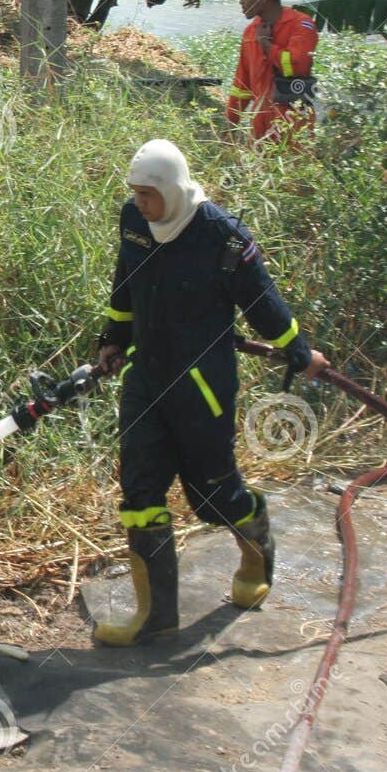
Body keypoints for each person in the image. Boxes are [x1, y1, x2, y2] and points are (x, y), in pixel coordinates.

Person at [89, 138, 329, 646]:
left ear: (173, 191)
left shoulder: (223, 238)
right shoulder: (134, 223)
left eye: (148, 194)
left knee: (212, 497)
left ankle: (256, 537)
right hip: (146, 379)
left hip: (202, 388)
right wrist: (114, 337)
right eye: (134, 193)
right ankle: (155, 619)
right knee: (140, 490)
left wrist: (300, 352)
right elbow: (125, 282)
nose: (140, 203)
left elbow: (264, 303)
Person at [226, 0, 318, 146]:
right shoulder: (250, 32)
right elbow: (241, 86)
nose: (241, 1)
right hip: (260, 126)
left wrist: (267, 46)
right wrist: (230, 125)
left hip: (294, 125)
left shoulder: (301, 25)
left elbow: (296, 65)